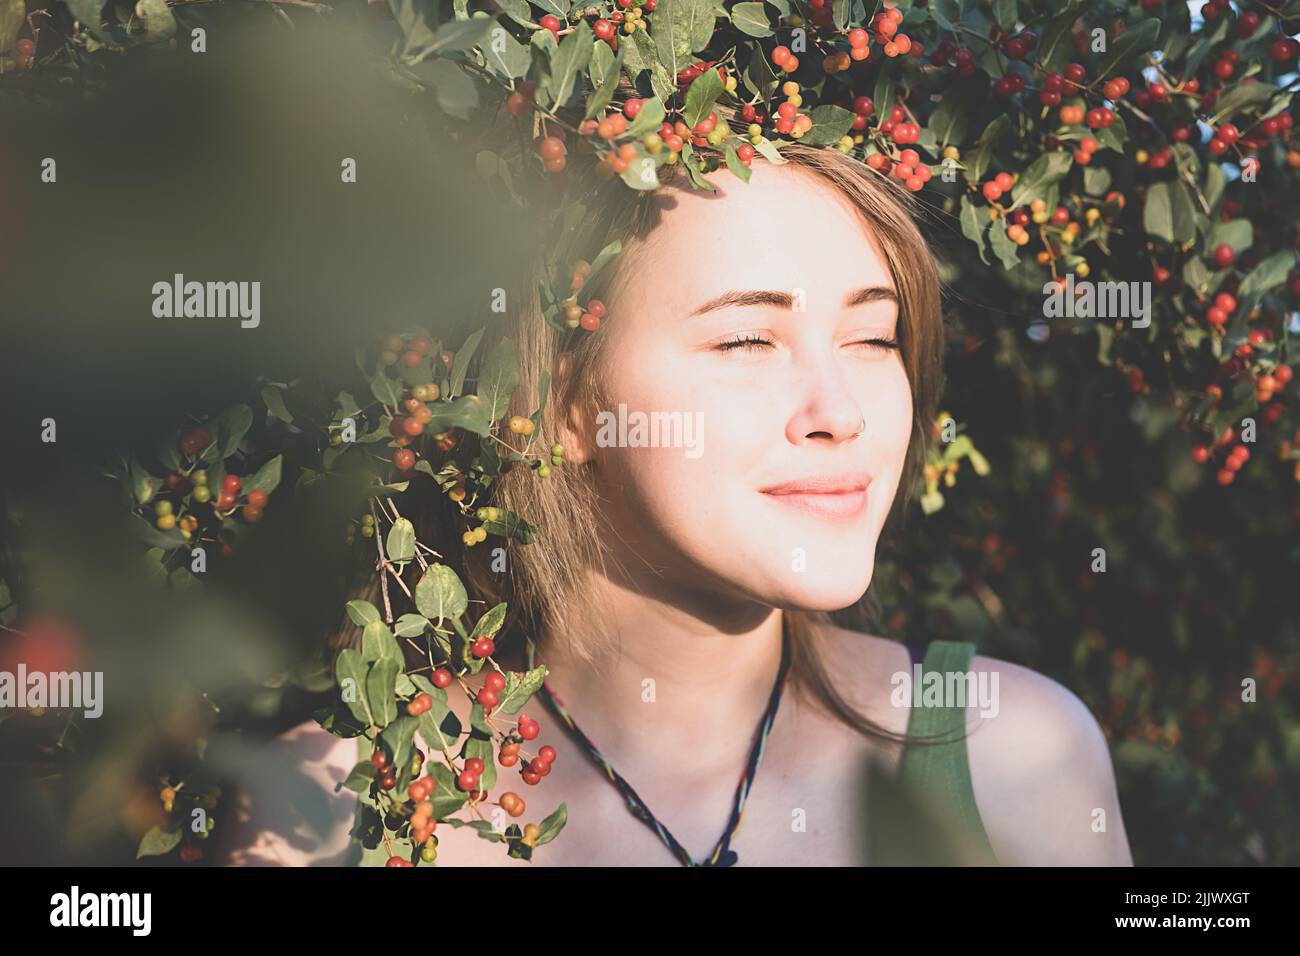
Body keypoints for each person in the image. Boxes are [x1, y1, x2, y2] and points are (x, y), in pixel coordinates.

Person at [224, 136, 1133, 867]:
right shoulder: (338, 802)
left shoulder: (1011, 754)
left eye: (872, 336)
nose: (841, 412)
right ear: (564, 405)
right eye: (747, 339)